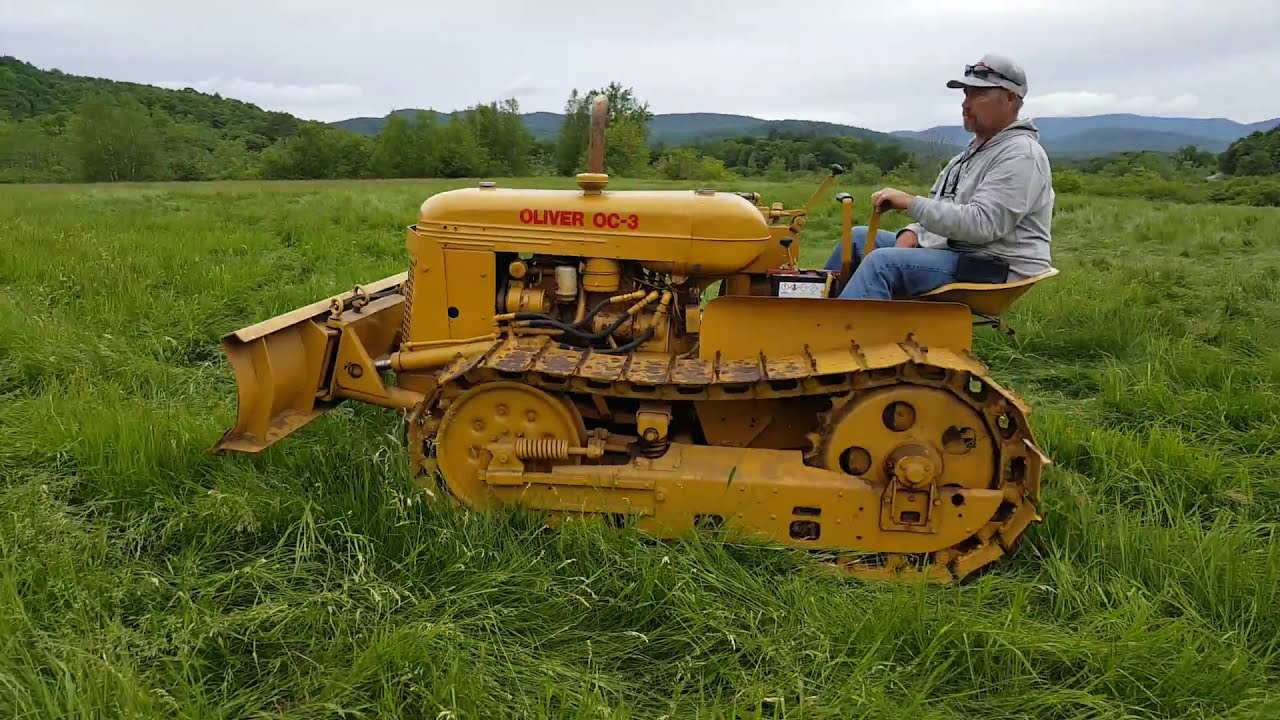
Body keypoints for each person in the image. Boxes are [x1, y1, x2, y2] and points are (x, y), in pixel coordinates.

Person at [824, 53, 1054, 300]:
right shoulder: (971, 154)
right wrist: (913, 233)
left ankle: (837, 334)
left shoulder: (1020, 154)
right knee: (857, 238)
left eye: (979, 94)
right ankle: (809, 316)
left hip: (996, 263)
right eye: (966, 93)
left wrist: (911, 203)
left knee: (883, 262)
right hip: (962, 251)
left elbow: (982, 225)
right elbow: (945, 209)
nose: (966, 104)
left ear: (1011, 99)